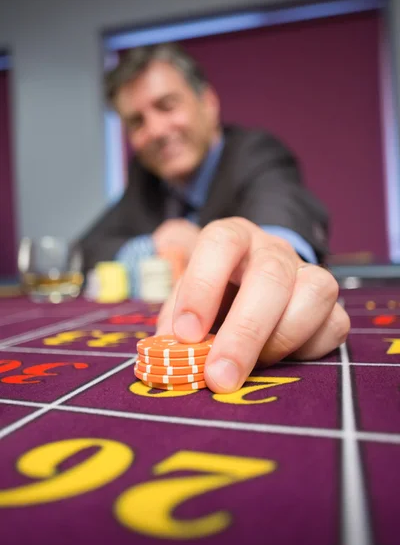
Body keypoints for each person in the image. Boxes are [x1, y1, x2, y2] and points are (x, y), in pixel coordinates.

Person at [77, 42, 350, 393]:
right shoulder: (144, 178)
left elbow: (280, 212)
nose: (156, 131)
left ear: (207, 103)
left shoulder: (255, 152)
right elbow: (86, 249)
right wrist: (155, 245)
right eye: (136, 122)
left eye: (166, 106)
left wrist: (273, 256)